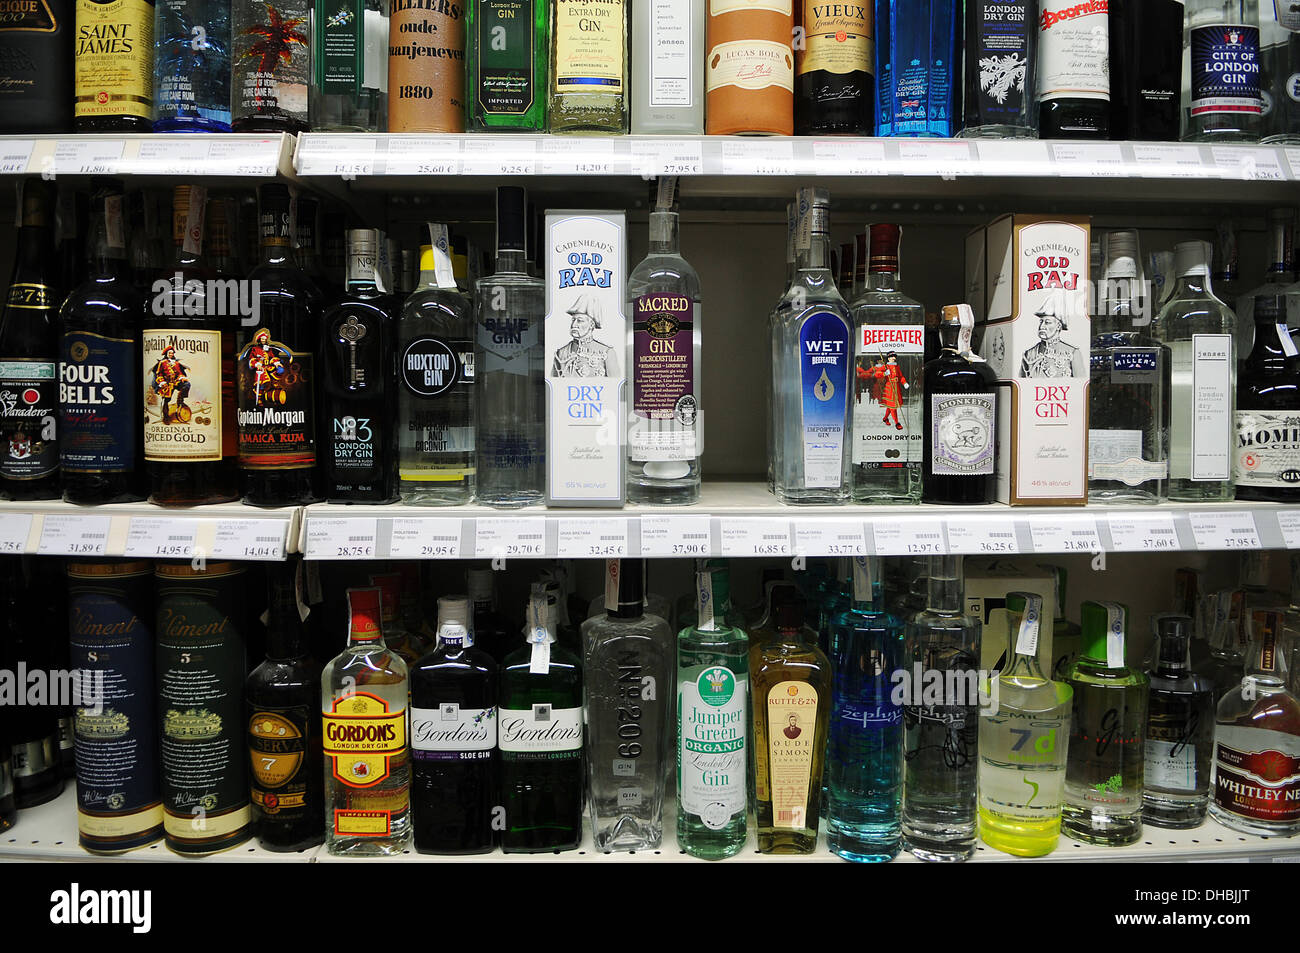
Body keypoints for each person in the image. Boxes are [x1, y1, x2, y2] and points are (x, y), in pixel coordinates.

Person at [551, 294, 619, 378]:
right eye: (573, 320)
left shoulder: (606, 352)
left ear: (591, 325)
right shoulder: (561, 353)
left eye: (580, 320)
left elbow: (614, 385)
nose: (574, 325)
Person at [1019, 303, 1083, 378]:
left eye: (1047, 322)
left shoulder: (1072, 352)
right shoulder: (1029, 353)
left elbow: (1079, 382)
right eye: (1041, 322)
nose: (1041, 326)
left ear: (1058, 326)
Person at [150, 346, 191, 422]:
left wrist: (181, 378)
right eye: (169, 353)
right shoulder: (162, 363)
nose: (171, 354)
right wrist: (162, 382)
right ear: (166, 353)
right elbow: (159, 374)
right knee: (167, 400)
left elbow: (179, 373)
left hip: (175, 382)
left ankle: (180, 400)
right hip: (167, 384)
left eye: (172, 353)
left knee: (187, 384)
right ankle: (166, 417)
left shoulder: (176, 363)